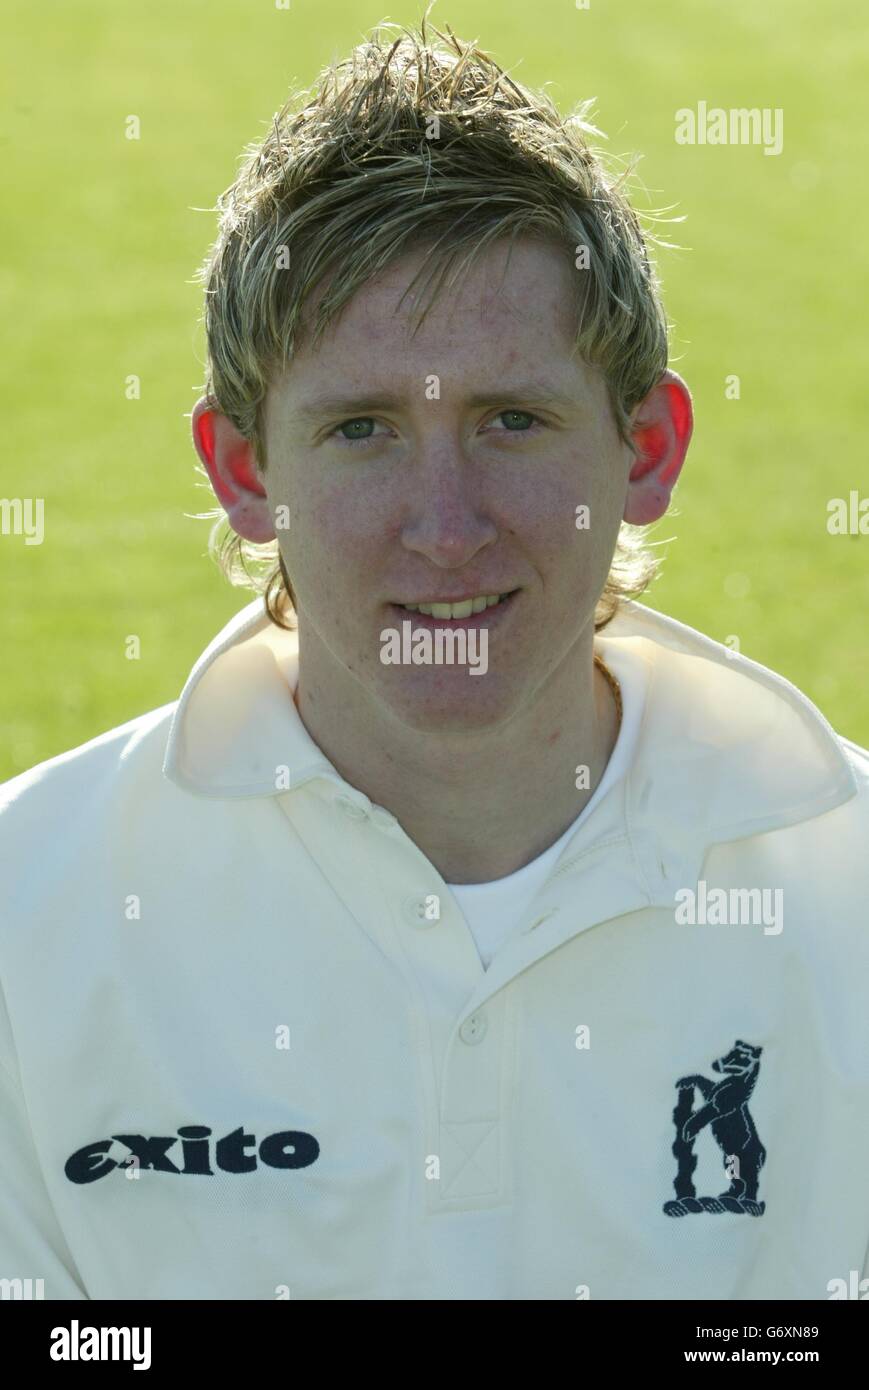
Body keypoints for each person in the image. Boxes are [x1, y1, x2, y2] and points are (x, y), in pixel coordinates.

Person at [1, 18, 867, 1303]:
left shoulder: (842, 902)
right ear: (244, 472)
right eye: (360, 430)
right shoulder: (29, 917)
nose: (446, 526)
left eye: (511, 419)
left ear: (645, 449)